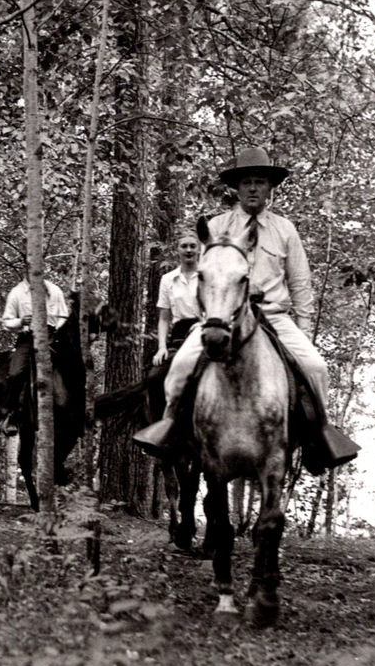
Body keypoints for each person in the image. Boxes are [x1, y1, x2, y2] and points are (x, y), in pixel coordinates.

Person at [132, 146, 356, 470]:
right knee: (180, 367)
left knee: (317, 368)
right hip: (222, 318)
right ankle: (168, 429)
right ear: (236, 188)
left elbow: (300, 282)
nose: (253, 188)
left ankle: (319, 437)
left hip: (274, 316)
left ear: (269, 188)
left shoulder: (284, 229)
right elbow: (202, 278)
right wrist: (206, 316)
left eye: (260, 182)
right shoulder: (217, 227)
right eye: (247, 181)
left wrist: (305, 332)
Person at [0, 275, 70, 423]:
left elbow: (63, 315)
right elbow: (6, 322)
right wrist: (20, 321)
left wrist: (57, 327)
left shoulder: (54, 290)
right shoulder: (17, 292)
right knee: (15, 373)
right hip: (27, 339)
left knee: (70, 367)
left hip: (51, 337)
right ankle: (10, 410)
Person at [153, 232, 204, 366]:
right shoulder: (168, 279)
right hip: (179, 336)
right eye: (184, 246)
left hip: (204, 332)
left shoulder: (208, 276)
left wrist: (202, 324)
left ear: (199, 249)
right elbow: (164, 318)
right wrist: (162, 347)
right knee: (155, 376)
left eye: (193, 246)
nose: (188, 250)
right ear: (177, 250)